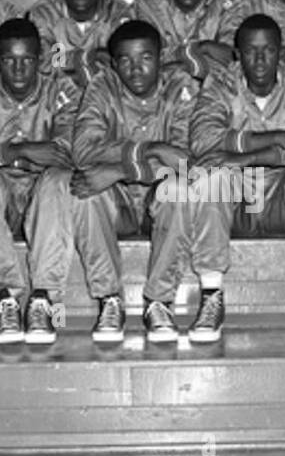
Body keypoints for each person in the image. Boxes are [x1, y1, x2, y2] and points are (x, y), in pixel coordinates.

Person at [187, 14, 285, 342]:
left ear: (281, 53)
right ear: (237, 54)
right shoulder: (222, 83)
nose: (259, 59)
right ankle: (212, 295)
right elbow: (203, 141)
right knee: (209, 177)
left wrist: (247, 155)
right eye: (250, 51)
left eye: (268, 50)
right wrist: (281, 138)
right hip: (239, 201)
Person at [0, 19, 81, 345]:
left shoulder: (62, 90)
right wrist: (17, 152)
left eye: (27, 60)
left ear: (41, 59)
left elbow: (69, 153)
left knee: (60, 180)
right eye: (9, 60)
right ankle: (5, 297)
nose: (19, 69)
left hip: (45, 199)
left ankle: (42, 298)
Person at [70, 20, 199, 343]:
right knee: (85, 190)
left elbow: (187, 162)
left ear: (161, 57)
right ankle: (109, 299)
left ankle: (159, 300)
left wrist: (117, 168)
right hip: (119, 201)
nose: (136, 68)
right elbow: (84, 152)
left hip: (159, 191)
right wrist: (152, 150)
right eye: (125, 60)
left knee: (181, 190)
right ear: (114, 64)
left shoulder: (181, 86)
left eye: (145, 58)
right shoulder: (102, 87)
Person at [28, 0, 130, 84]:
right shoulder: (44, 15)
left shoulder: (117, 13)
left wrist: (67, 62)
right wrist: (89, 58)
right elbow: (43, 65)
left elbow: (125, 67)